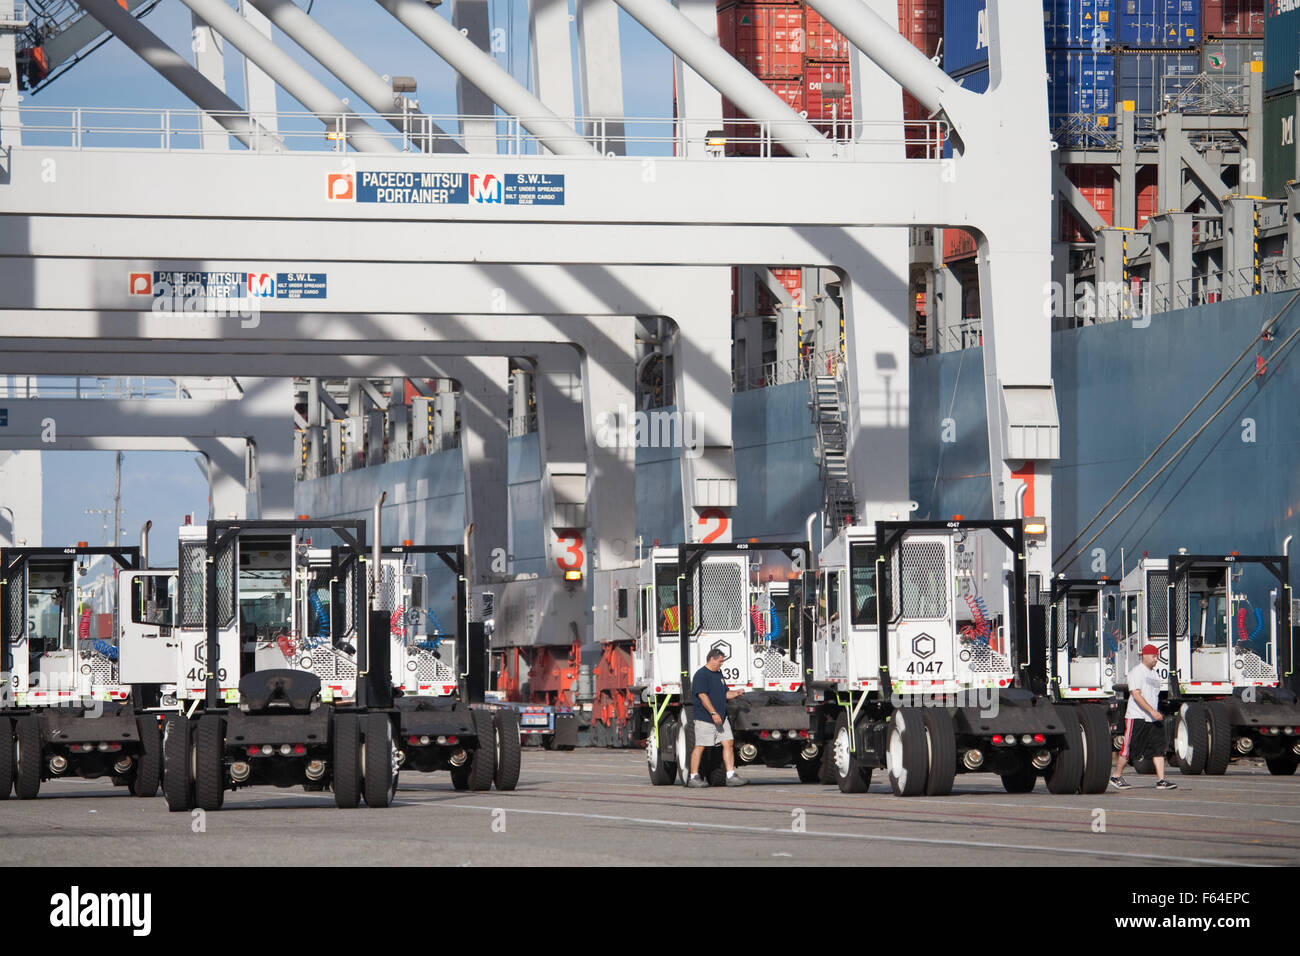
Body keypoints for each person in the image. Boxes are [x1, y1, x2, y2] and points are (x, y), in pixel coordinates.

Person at [1111, 643, 1177, 790]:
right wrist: (1151, 711)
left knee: (1159, 748)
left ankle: (1161, 780)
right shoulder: (1137, 672)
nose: (1156, 659)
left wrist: (1156, 712)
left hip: (1152, 719)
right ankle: (1116, 776)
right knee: (1128, 748)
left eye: (1157, 656)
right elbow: (1136, 694)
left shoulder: (1155, 675)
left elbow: (1153, 696)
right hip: (1137, 717)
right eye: (1154, 656)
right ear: (1145, 656)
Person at [686, 648, 747, 787]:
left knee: (728, 742)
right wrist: (713, 713)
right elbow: (702, 696)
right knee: (701, 746)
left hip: (721, 717)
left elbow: (725, 694)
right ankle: (694, 777)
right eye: (720, 661)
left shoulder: (718, 674)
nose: (721, 664)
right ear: (712, 659)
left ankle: (730, 775)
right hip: (705, 717)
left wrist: (736, 693)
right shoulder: (701, 675)